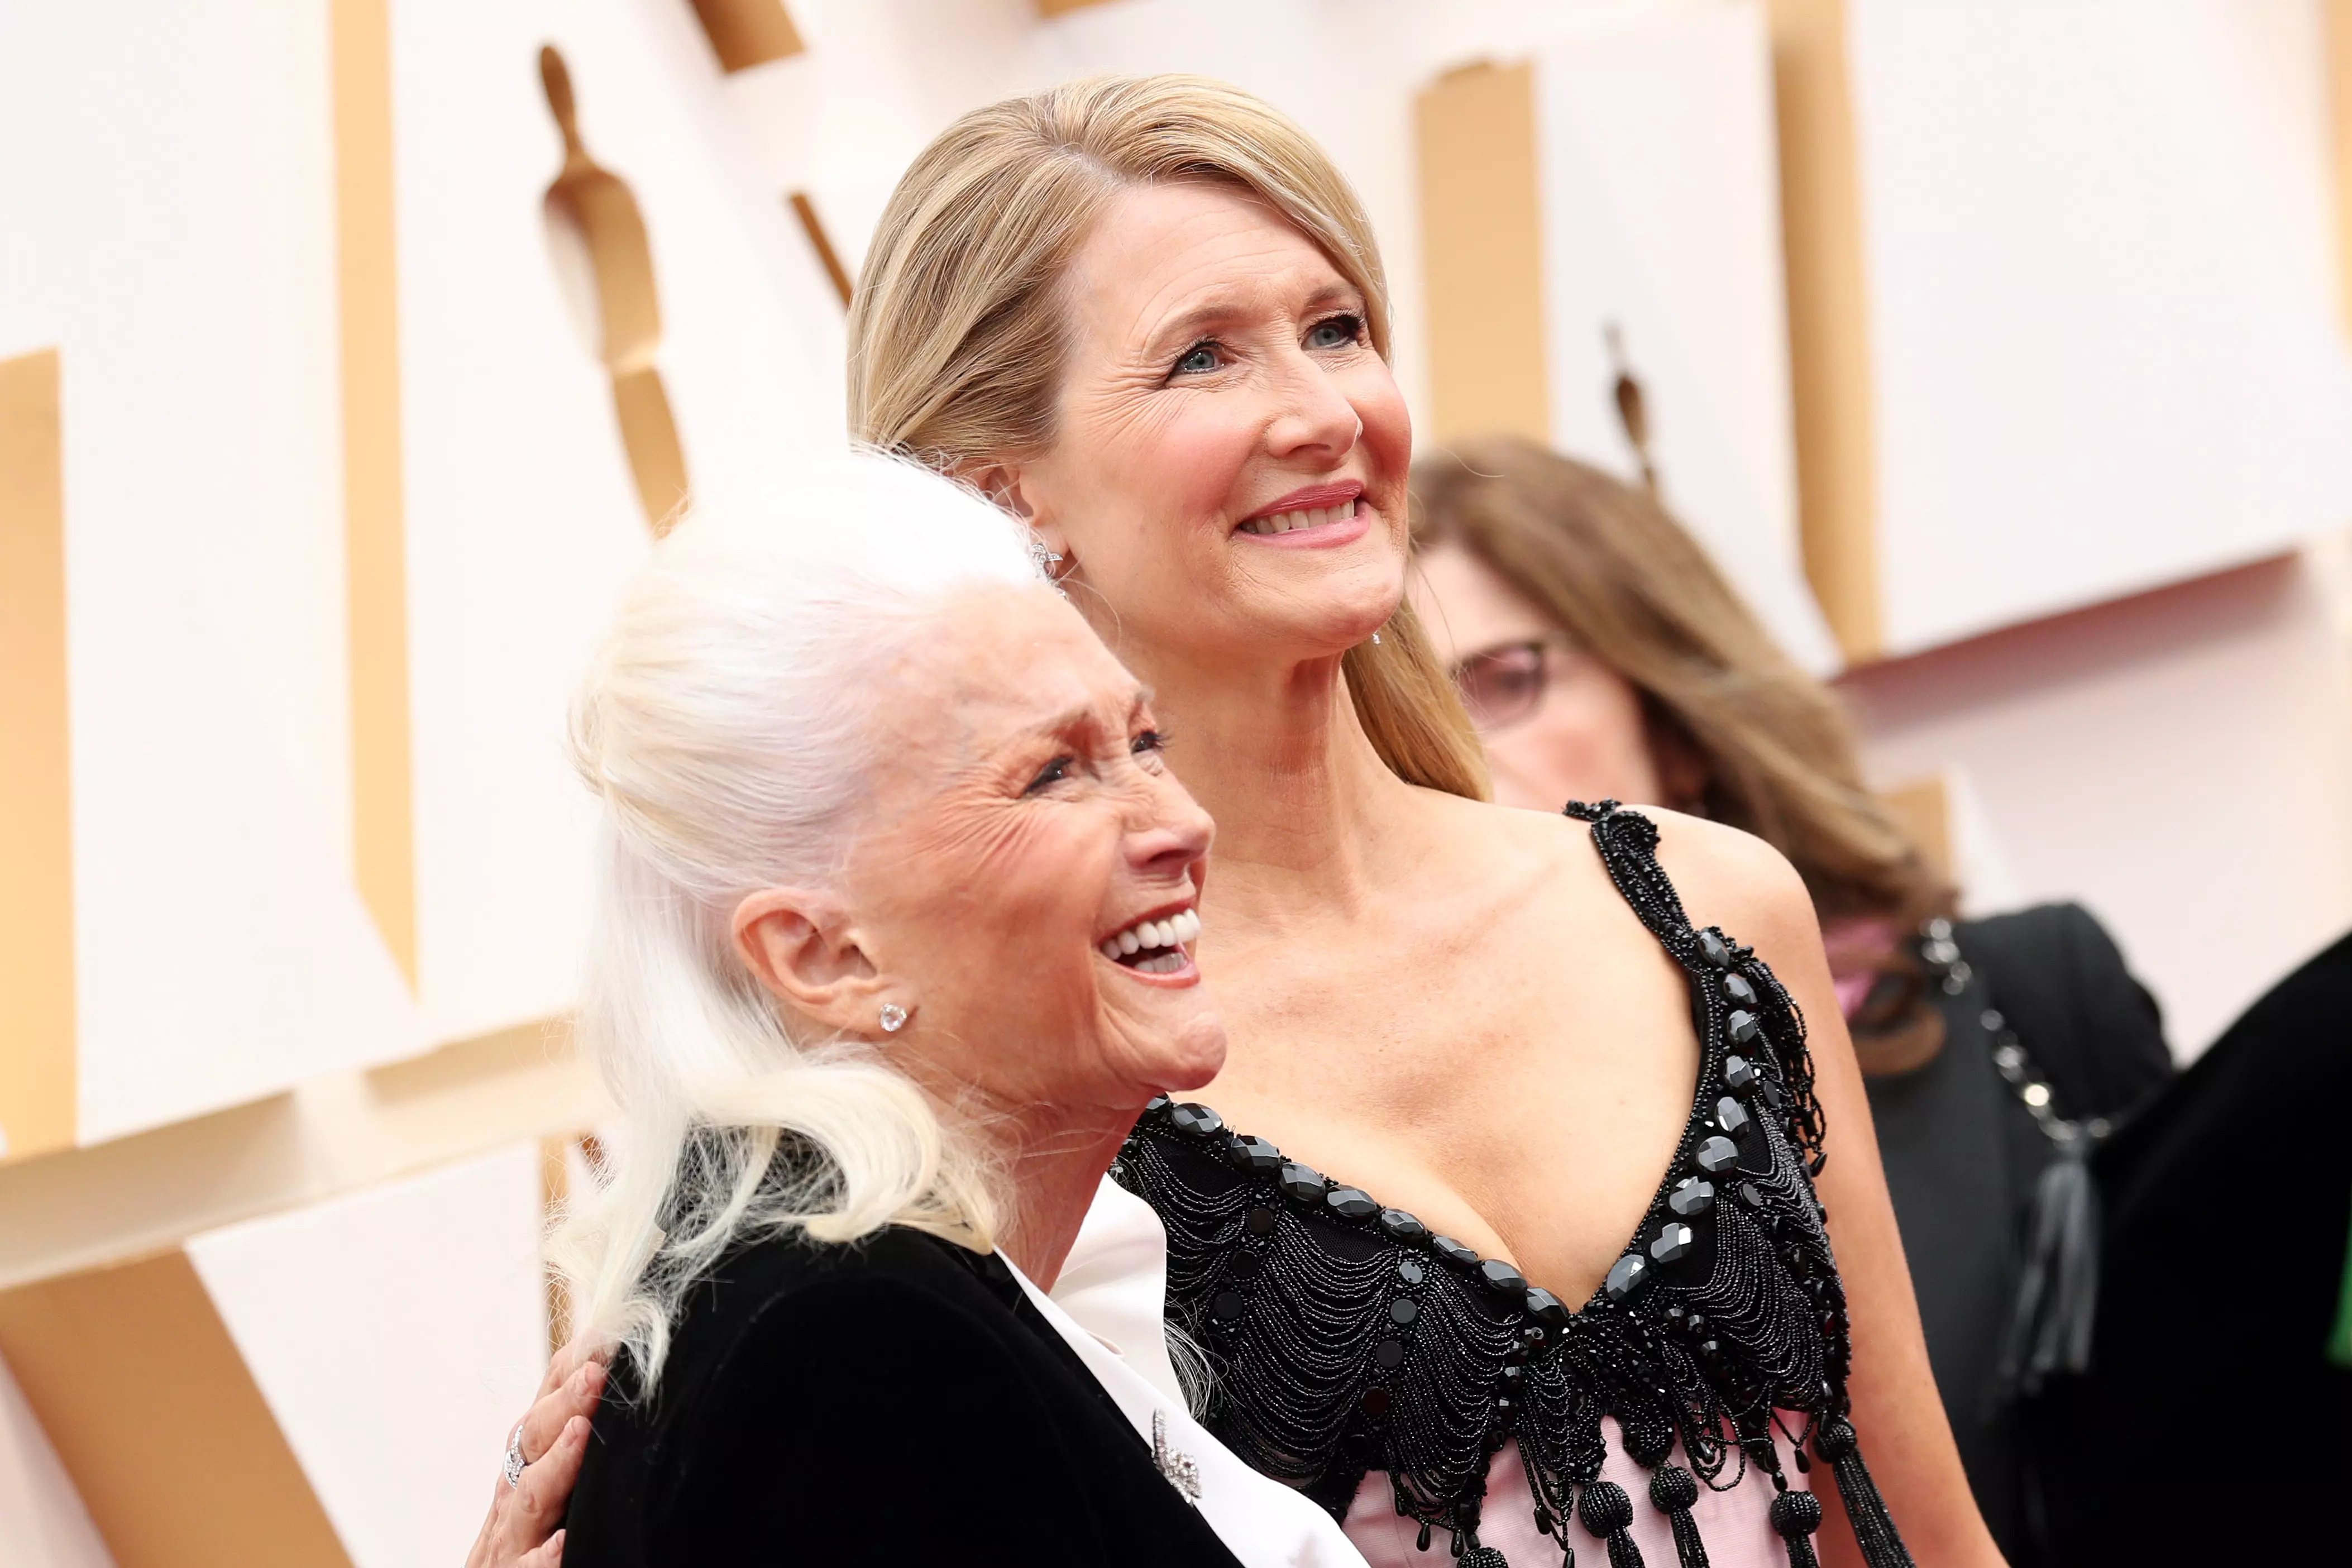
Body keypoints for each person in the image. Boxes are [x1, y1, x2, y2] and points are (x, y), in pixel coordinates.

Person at [478, 75, 1999, 1568]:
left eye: (1336, 328)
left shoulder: (1705, 906)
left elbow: (1921, 1527)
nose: (1320, 408)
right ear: (996, 496)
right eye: (1203, 357)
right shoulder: (983, 1065)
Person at [539, 455, 1369, 1566]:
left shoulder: (923, 1280)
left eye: (1143, 742)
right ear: (823, 954)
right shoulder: (857, 1351)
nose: (1179, 822)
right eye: (1055, 776)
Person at [1407, 436, 2172, 1562]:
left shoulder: (2032, 989)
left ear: (1668, 705)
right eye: (1407, 720)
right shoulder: (1411, 1171)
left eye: (1505, 682)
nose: (1460, 759)